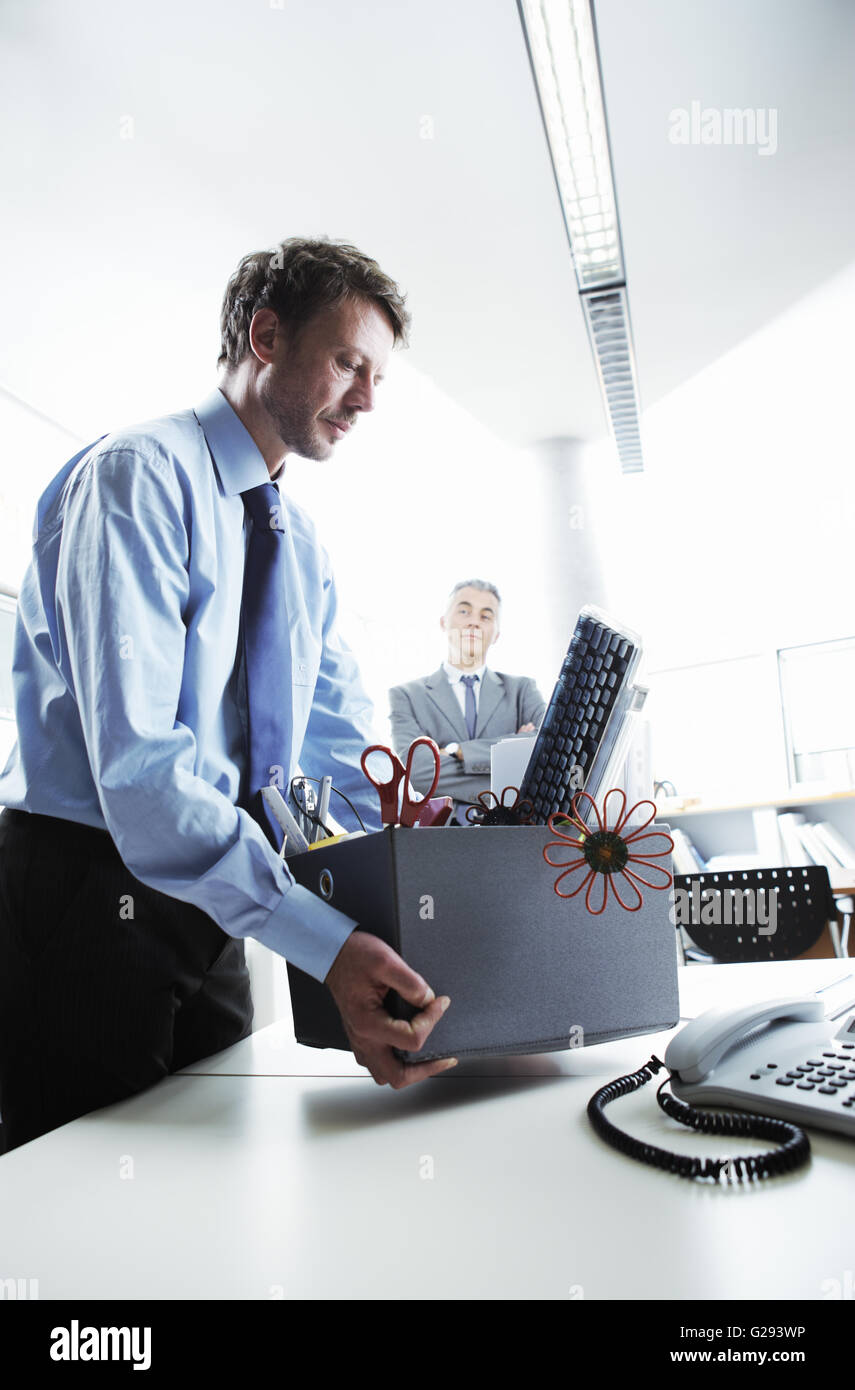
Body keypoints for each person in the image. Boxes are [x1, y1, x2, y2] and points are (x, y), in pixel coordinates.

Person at [0, 237, 457, 1154]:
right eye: (346, 363)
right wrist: (320, 942)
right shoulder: (138, 478)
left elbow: (332, 747)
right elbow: (140, 769)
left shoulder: (302, 546)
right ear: (264, 335)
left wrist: (428, 865)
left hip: (217, 896)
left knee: (217, 1167)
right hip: (85, 891)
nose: (366, 398)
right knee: (85, 1195)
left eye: (377, 377)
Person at [388, 581, 546, 817]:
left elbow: (546, 752)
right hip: (440, 835)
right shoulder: (406, 696)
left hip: (513, 830)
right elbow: (419, 773)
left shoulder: (522, 690)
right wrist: (514, 756)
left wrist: (457, 751)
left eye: (486, 616)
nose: (474, 621)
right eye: (464, 611)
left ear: (496, 635)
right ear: (443, 622)